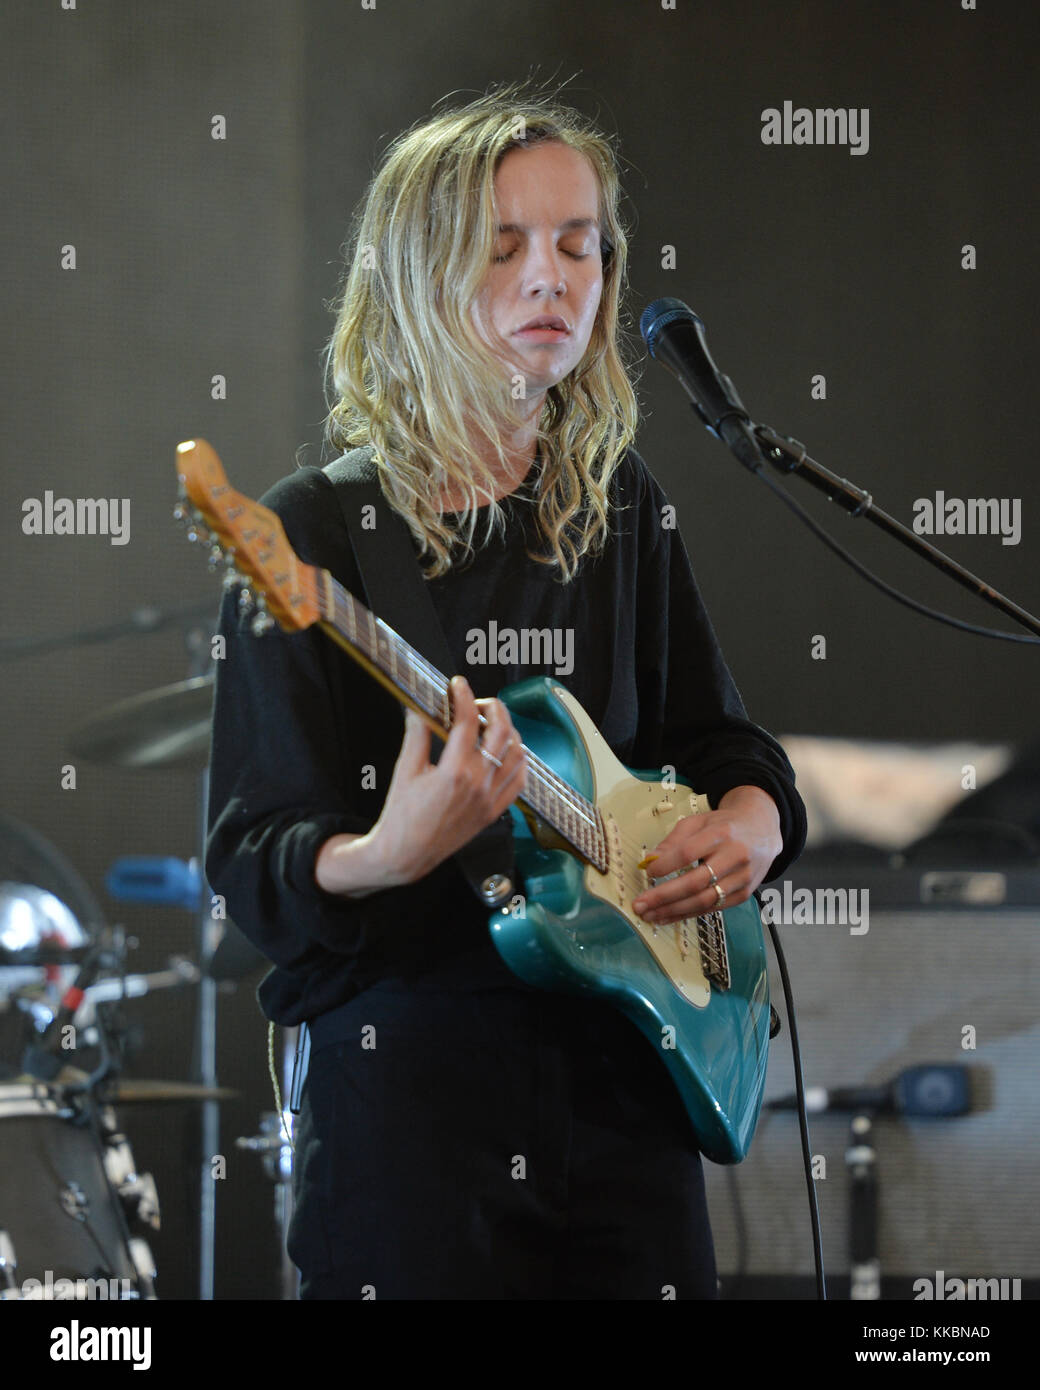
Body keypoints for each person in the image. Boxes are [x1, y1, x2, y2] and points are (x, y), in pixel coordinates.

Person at [205, 81, 807, 1300]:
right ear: (420, 276)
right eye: (504, 246)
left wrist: (750, 825)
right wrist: (387, 849)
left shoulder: (617, 504)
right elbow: (250, 856)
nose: (554, 278)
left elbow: (726, 743)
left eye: (579, 245)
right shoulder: (312, 531)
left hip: (631, 1084)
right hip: (416, 1100)